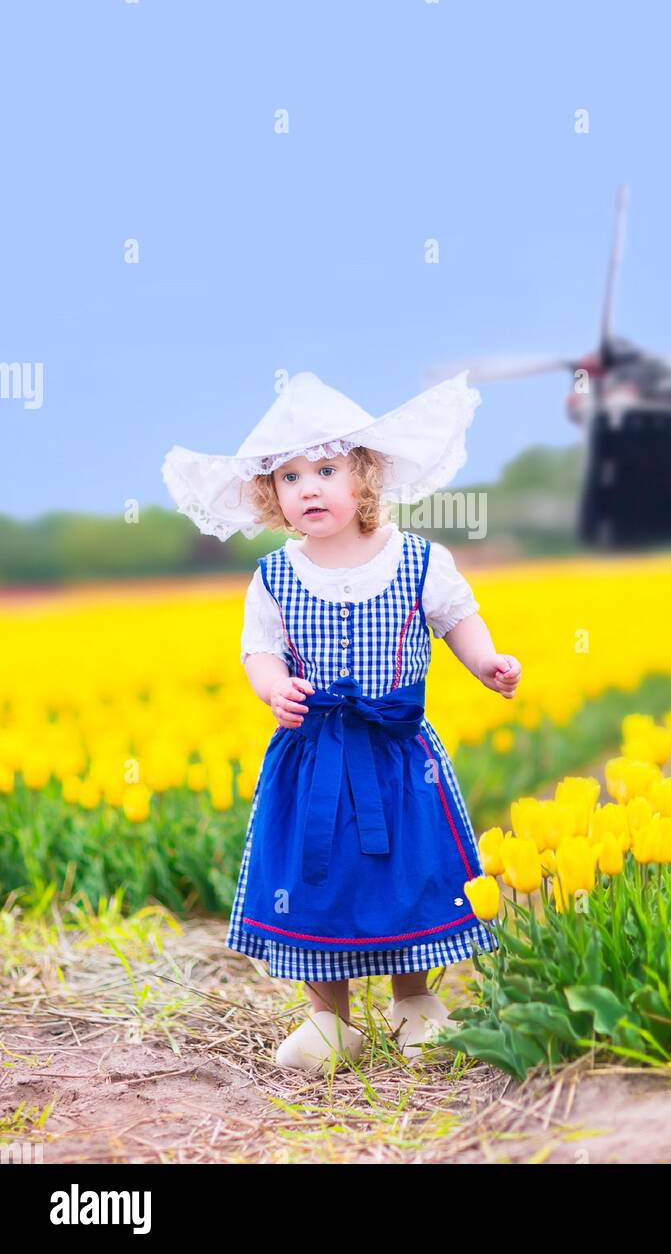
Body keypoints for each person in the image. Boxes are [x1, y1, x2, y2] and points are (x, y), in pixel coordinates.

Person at [161, 369, 521, 1072]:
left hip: (395, 752)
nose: (309, 488)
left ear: (365, 478)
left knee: (408, 870)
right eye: (290, 478)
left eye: (326, 469)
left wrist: (487, 662)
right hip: (313, 757)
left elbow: (457, 620)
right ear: (274, 498)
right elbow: (257, 651)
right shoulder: (273, 576)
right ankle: (328, 1018)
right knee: (315, 876)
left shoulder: (421, 560)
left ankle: (414, 1000)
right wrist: (274, 690)